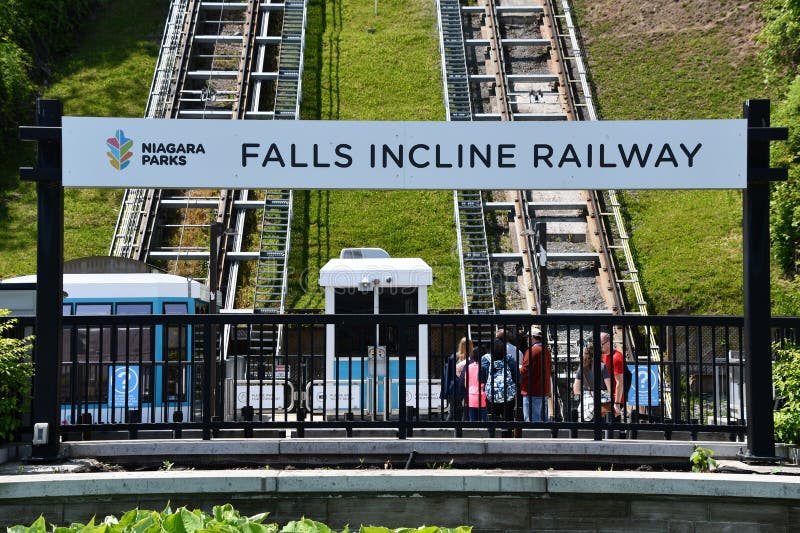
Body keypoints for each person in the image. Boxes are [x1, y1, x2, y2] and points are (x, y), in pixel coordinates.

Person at [482, 338, 517, 436]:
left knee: (492, 418)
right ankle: (507, 436)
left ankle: (492, 436)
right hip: (508, 396)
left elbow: (480, 378)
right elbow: (517, 378)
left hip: (491, 396)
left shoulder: (485, 359)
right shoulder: (510, 359)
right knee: (508, 418)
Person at [572, 342, 612, 420]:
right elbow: (610, 388)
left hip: (586, 403)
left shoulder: (582, 368)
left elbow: (576, 390)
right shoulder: (602, 367)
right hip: (602, 404)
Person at [520, 327, 552, 422]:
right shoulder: (546, 350)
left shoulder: (532, 351)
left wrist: (518, 369)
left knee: (532, 421)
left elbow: (525, 371)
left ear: (532, 337)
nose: (526, 340)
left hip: (532, 391)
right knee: (543, 419)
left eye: (527, 338)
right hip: (544, 389)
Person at [443, 337, 471, 421]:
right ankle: (465, 431)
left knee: (453, 412)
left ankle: (446, 430)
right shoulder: (473, 357)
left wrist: (446, 389)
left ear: (460, 345)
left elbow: (448, 374)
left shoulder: (453, 357)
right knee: (466, 412)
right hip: (468, 386)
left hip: (455, 386)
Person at [600, 332, 625, 418]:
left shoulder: (616, 358)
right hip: (604, 397)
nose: (599, 346)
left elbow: (620, 382)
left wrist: (617, 403)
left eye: (601, 344)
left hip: (613, 399)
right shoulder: (602, 355)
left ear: (608, 343)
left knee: (611, 428)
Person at [465, 346, 487, 421]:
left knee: (472, 423)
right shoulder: (485, 367)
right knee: (485, 422)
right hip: (483, 396)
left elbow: (466, 383)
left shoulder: (469, 367)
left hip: (471, 395)